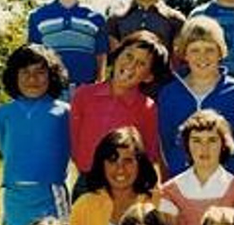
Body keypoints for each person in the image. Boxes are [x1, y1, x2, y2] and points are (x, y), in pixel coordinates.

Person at [0, 44, 72, 225]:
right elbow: (6, 148)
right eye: (25, 72)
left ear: (52, 75)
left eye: (40, 72)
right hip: (15, 196)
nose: (32, 79)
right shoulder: (2, 114)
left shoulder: (64, 112)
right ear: (14, 76)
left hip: (50, 196)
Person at [69, 31, 170, 197]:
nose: (131, 65)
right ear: (117, 55)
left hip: (126, 187)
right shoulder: (84, 95)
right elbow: (74, 141)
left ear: (149, 76)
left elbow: (149, 155)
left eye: (141, 63)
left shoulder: (148, 108)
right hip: (87, 184)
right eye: (128, 55)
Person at [156, 16, 234, 177]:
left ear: (220, 52)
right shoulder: (169, 93)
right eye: (195, 50)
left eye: (209, 49)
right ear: (185, 54)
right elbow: (166, 142)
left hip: (226, 181)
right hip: (182, 181)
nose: (203, 57)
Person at [68, 128, 160, 225]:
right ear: (101, 164)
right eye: (112, 160)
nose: (120, 169)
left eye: (128, 161)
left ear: (140, 163)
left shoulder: (158, 204)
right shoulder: (83, 206)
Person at [27, 0, 107, 92]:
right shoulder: (38, 17)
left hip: (86, 93)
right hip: (51, 94)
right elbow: (33, 61)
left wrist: (98, 92)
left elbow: (100, 60)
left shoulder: (96, 19)